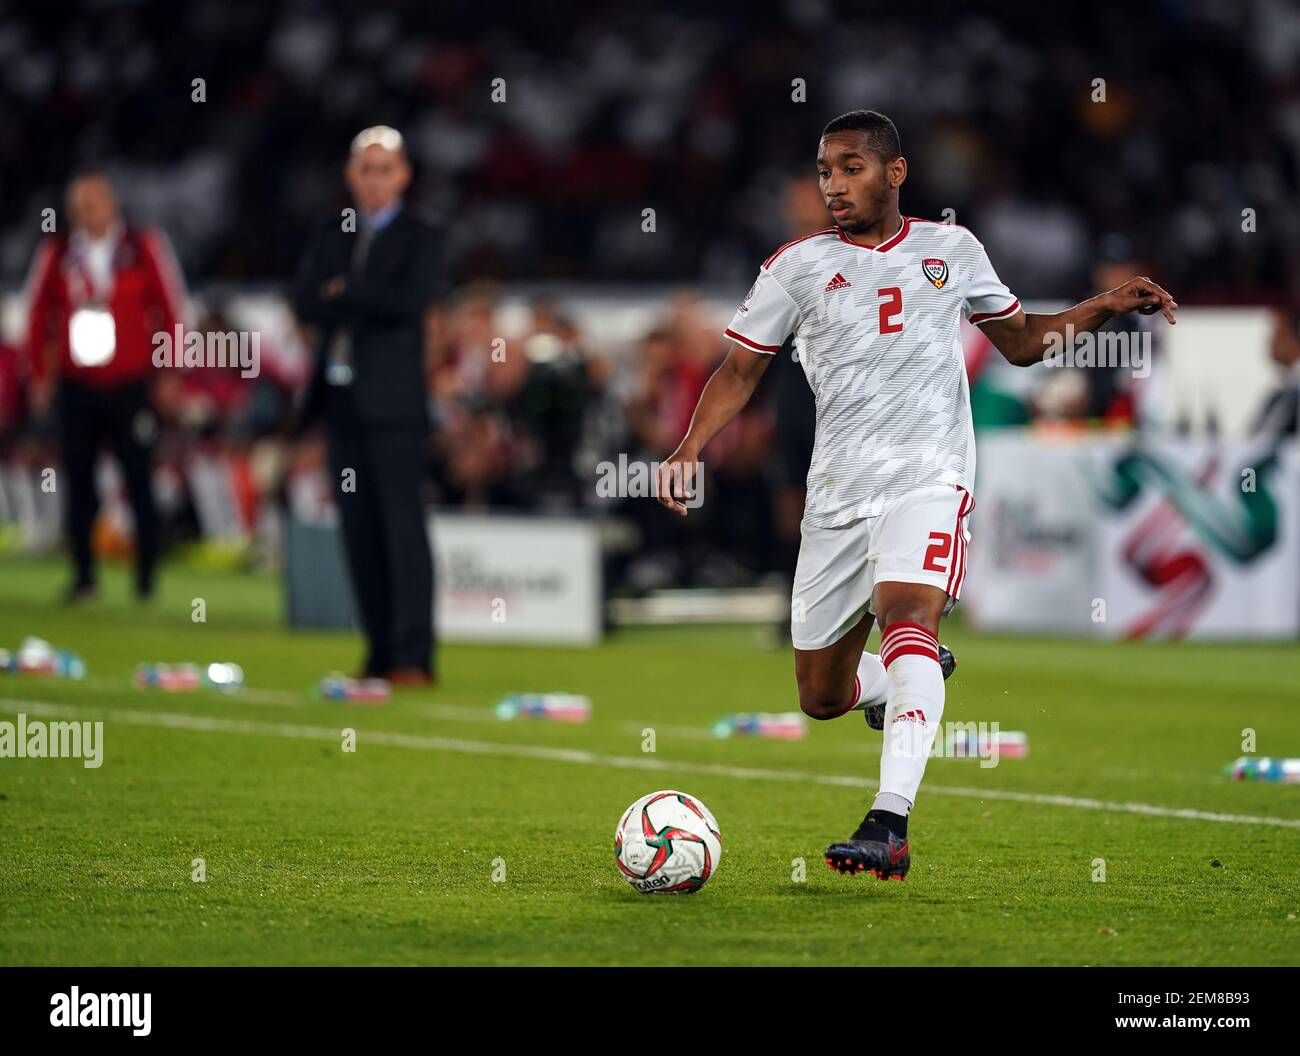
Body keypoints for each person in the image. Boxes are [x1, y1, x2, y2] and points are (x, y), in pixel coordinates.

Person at [656, 110, 1177, 880]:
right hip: (838, 494)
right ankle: (895, 679)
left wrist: (1102, 306)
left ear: (895, 172)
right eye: (825, 170)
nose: (834, 184)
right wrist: (688, 448)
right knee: (820, 695)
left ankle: (888, 819)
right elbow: (738, 371)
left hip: (930, 477)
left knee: (908, 610)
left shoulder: (952, 249)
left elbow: (1023, 343)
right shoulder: (794, 267)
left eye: (851, 167)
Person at [292, 126, 445, 686]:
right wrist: (355, 299)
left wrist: (344, 295)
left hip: (395, 404)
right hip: (340, 399)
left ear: (403, 175)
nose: (374, 179)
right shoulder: (333, 229)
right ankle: (378, 651)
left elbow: (409, 301)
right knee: (358, 530)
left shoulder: (424, 232)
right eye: (365, 168)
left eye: (385, 169)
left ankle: (414, 656)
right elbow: (304, 297)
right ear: (351, 175)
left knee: (403, 529)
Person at [24, 171, 185, 601]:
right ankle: (84, 576)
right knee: (78, 481)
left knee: (138, 476)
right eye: (78, 206)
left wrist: (170, 371)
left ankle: (146, 574)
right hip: (78, 384)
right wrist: (40, 374)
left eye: (92, 203)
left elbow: (171, 309)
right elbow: (38, 316)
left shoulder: (143, 247)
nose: (85, 213)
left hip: (131, 383)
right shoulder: (57, 253)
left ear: (112, 204)